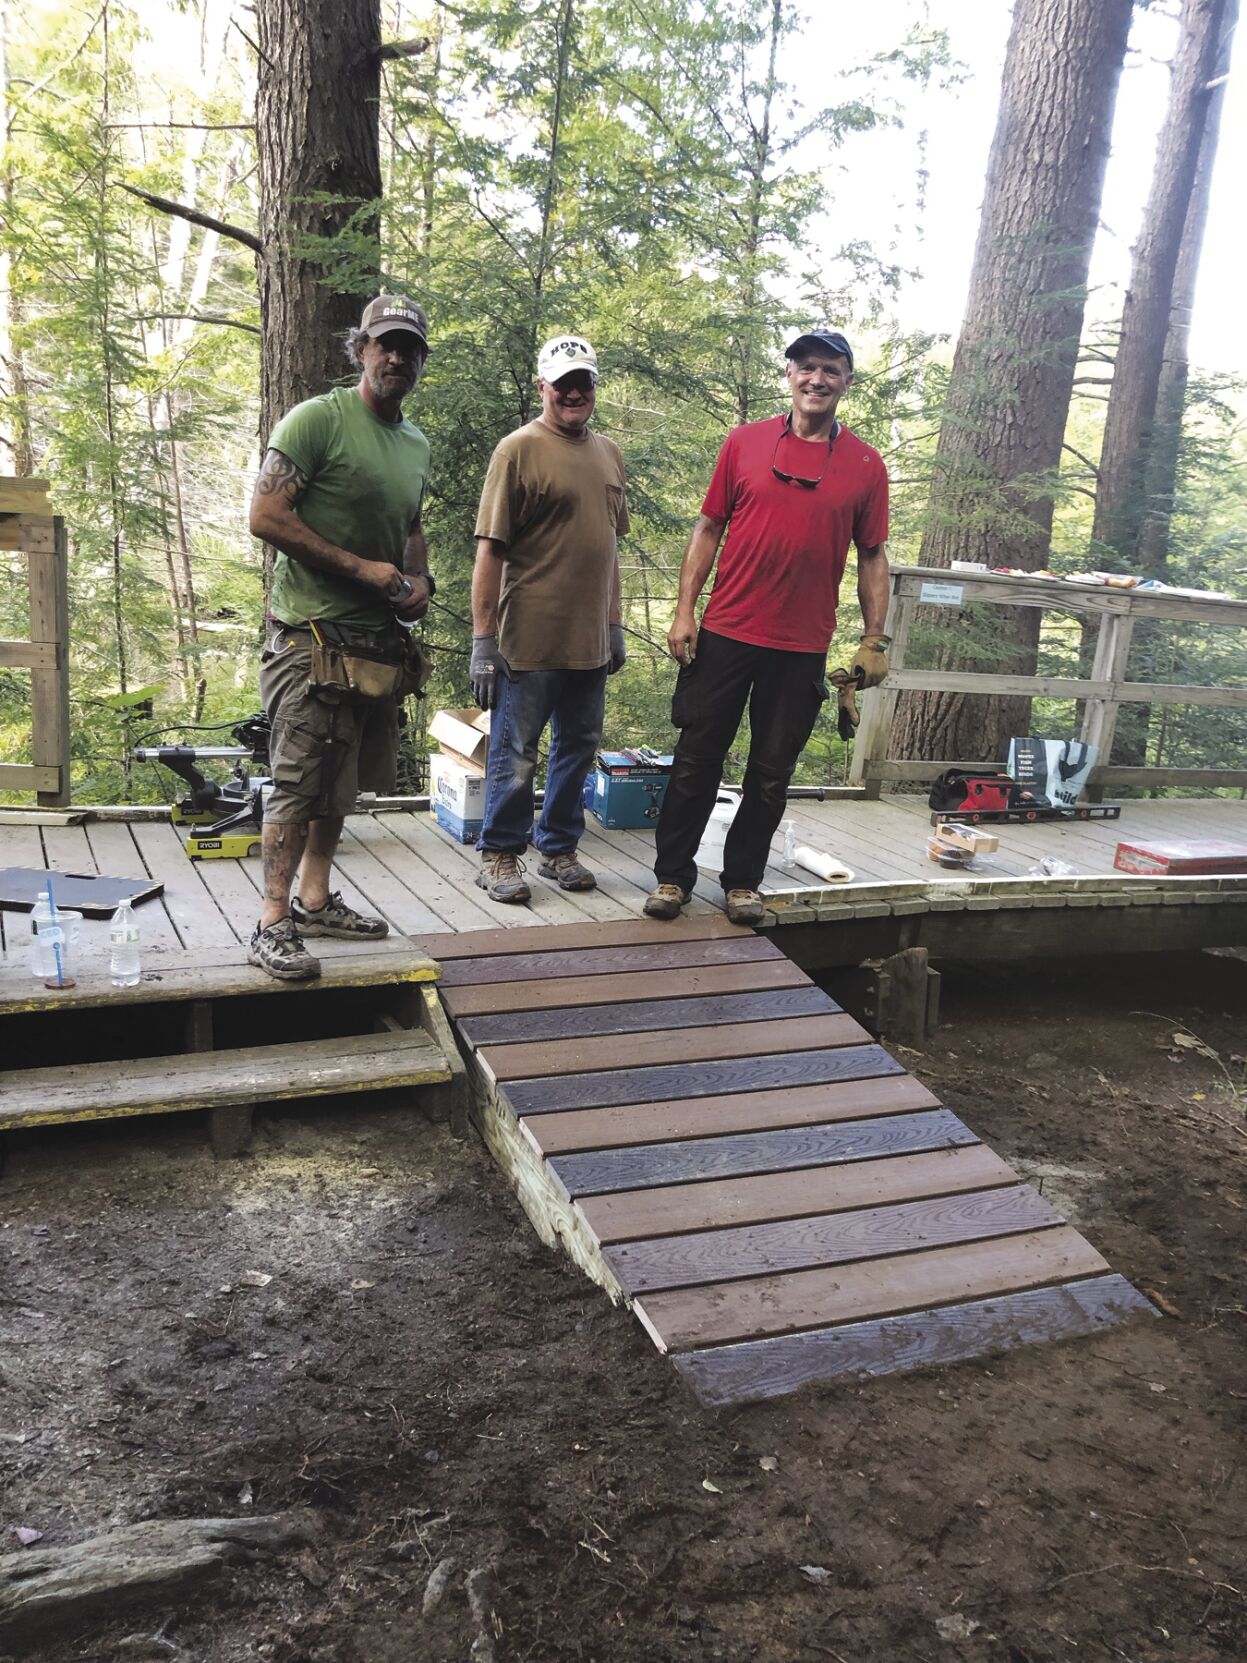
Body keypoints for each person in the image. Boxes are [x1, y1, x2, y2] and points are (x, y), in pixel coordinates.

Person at [646, 327, 890, 926]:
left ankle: (742, 883)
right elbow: (708, 528)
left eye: (831, 369)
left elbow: (874, 555)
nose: (817, 379)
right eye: (806, 366)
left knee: (771, 771)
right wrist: (685, 611)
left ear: (847, 382)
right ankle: (673, 879)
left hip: (800, 645)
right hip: (727, 631)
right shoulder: (745, 444)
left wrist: (873, 638)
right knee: (697, 758)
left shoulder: (864, 465)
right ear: (789, 374)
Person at [246, 294, 435, 979]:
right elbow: (266, 514)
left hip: (372, 644)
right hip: (308, 635)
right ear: (359, 349)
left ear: (420, 361)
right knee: (298, 783)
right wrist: (361, 569)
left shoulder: (413, 442)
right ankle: (271, 918)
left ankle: (316, 898)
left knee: (342, 782)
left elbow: (410, 524)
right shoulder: (317, 421)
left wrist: (417, 581)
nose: (395, 357)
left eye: (408, 348)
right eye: (384, 344)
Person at [468, 334, 628, 903]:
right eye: (563, 383)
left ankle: (558, 847)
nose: (574, 392)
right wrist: (482, 642)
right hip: (528, 637)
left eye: (583, 381)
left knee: (578, 748)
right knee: (515, 752)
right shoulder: (517, 450)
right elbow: (489, 550)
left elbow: (608, 547)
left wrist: (613, 625)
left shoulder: (608, 452)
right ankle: (500, 854)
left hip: (588, 640)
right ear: (543, 386)